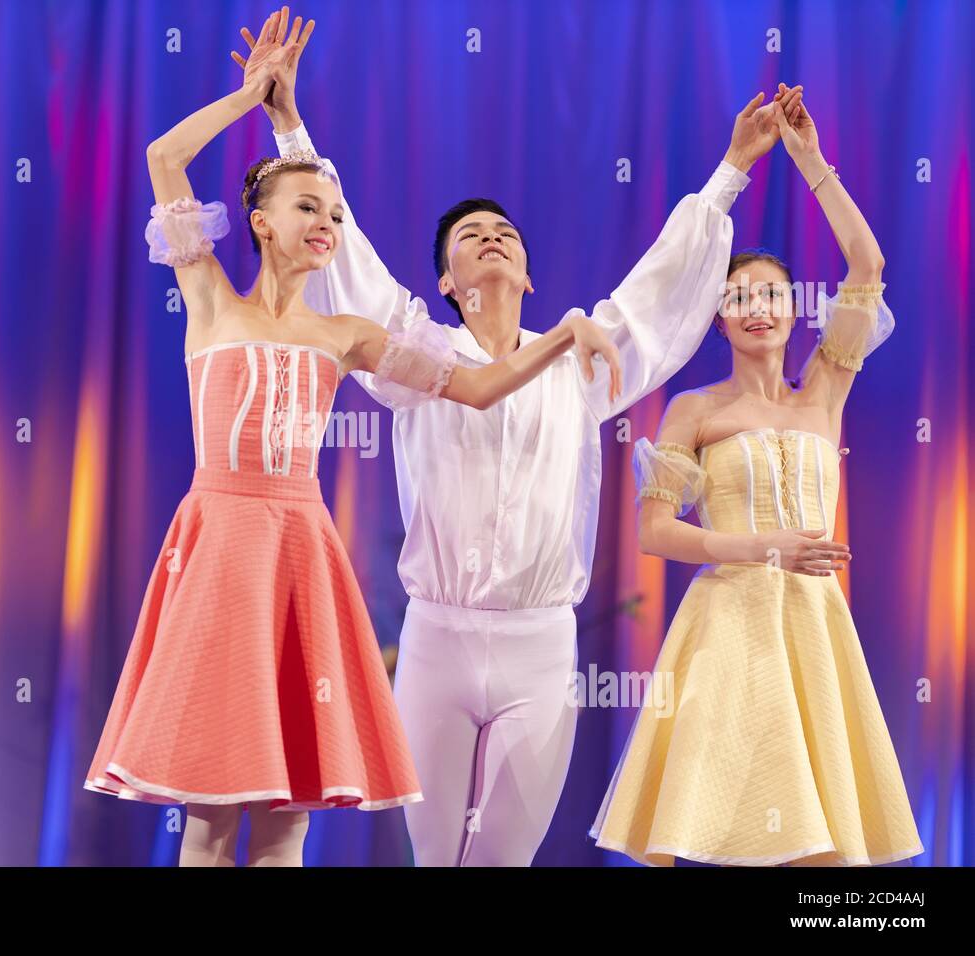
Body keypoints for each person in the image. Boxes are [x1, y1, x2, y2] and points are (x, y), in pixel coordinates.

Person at [233, 6, 789, 866]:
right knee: (435, 859)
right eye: (469, 239)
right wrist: (286, 123)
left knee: (501, 859)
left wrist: (732, 171)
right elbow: (351, 263)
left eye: (505, 236)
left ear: (527, 272)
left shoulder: (580, 357)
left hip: (539, 642)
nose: (490, 241)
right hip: (438, 639)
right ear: (449, 283)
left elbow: (657, 292)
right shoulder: (417, 355)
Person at [84, 9, 622, 867]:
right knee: (212, 816)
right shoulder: (211, 299)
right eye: (308, 205)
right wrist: (252, 98)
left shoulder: (349, 337)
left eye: (334, 210)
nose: (327, 222)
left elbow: (478, 386)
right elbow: (161, 160)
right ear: (260, 221)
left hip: (299, 554)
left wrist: (564, 333)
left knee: (290, 812)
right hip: (220, 553)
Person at [589, 85, 924, 866]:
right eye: (738, 297)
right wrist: (763, 546)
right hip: (728, 622)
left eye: (771, 293)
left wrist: (809, 161)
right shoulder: (693, 409)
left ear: (794, 308)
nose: (758, 307)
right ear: (717, 316)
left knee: (817, 842)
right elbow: (654, 530)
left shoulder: (825, 390)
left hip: (813, 624)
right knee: (714, 827)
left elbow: (868, 263)